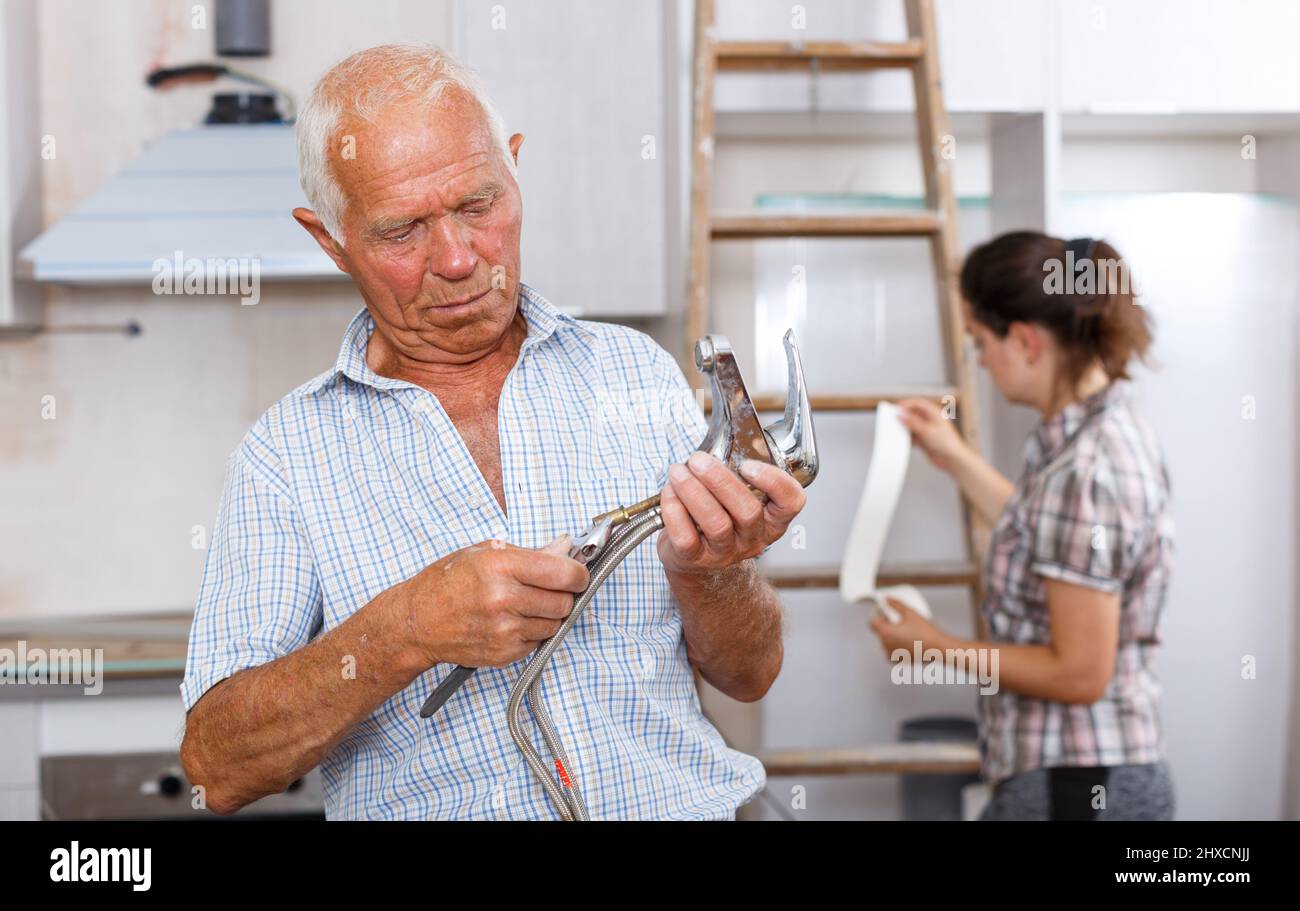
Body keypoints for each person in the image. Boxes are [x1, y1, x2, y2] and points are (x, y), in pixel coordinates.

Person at [178, 44, 806, 820]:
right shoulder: (286, 459)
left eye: (478, 205)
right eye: (401, 231)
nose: (456, 257)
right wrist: (406, 629)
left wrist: (712, 572)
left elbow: (751, 674)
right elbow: (216, 768)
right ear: (330, 240)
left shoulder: (635, 375)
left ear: (513, 168)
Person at [869, 231, 1176, 820]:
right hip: (1087, 775)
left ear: (1026, 340)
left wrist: (935, 650)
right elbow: (1050, 537)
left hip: (1080, 787)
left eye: (981, 342)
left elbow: (1081, 672)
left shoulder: (1085, 467)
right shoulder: (1094, 433)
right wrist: (954, 456)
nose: (980, 360)